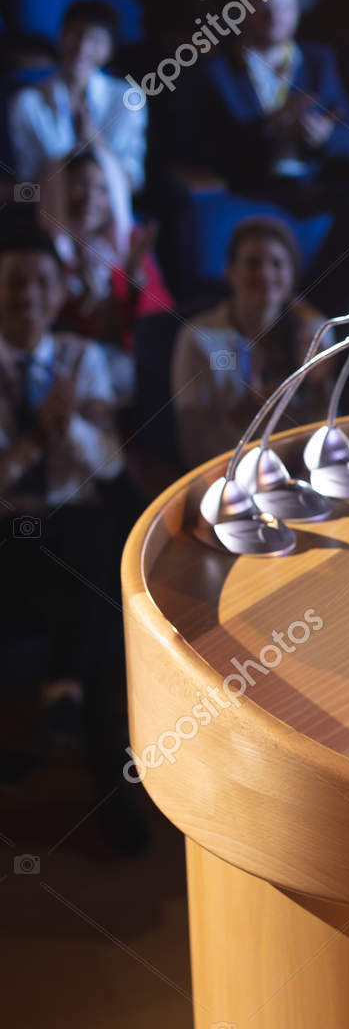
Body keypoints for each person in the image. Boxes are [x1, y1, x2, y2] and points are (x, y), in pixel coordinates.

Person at [0, 222, 144, 848]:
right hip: (9, 536)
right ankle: (114, 791)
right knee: (88, 588)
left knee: (92, 532)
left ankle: (64, 694)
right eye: (13, 282)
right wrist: (39, 436)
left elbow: (109, 463)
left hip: (70, 532)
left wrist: (74, 431)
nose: (27, 295)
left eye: (40, 282)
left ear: (59, 293)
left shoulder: (83, 359)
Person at [170, 216, 333, 469]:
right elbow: (193, 445)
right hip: (231, 474)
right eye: (252, 263)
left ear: (292, 276)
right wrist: (247, 412)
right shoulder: (197, 339)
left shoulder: (315, 330)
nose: (265, 274)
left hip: (307, 466)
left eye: (277, 264)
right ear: (230, 273)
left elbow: (332, 427)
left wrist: (320, 383)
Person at [175, 0, 349, 194]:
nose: (274, 17)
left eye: (284, 7)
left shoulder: (318, 62)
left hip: (315, 185)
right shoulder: (217, 72)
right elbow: (199, 148)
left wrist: (325, 137)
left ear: (297, 11)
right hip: (248, 189)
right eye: (263, 6)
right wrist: (269, 125)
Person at [46, 151, 173, 405]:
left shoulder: (132, 242)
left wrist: (134, 280)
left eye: (103, 189)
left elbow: (158, 321)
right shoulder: (46, 251)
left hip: (135, 360)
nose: (91, 198)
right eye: (80, 185)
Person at [9, 0, 146, 206]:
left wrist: (94, 140)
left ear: (109, 51)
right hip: (50, 209)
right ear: (60, 36)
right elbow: (29, 182)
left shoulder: (127, 99)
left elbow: (131, 180)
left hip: (110, 209)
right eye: (75, 35)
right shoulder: (27, 102)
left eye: (96, 40)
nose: (83, 47)